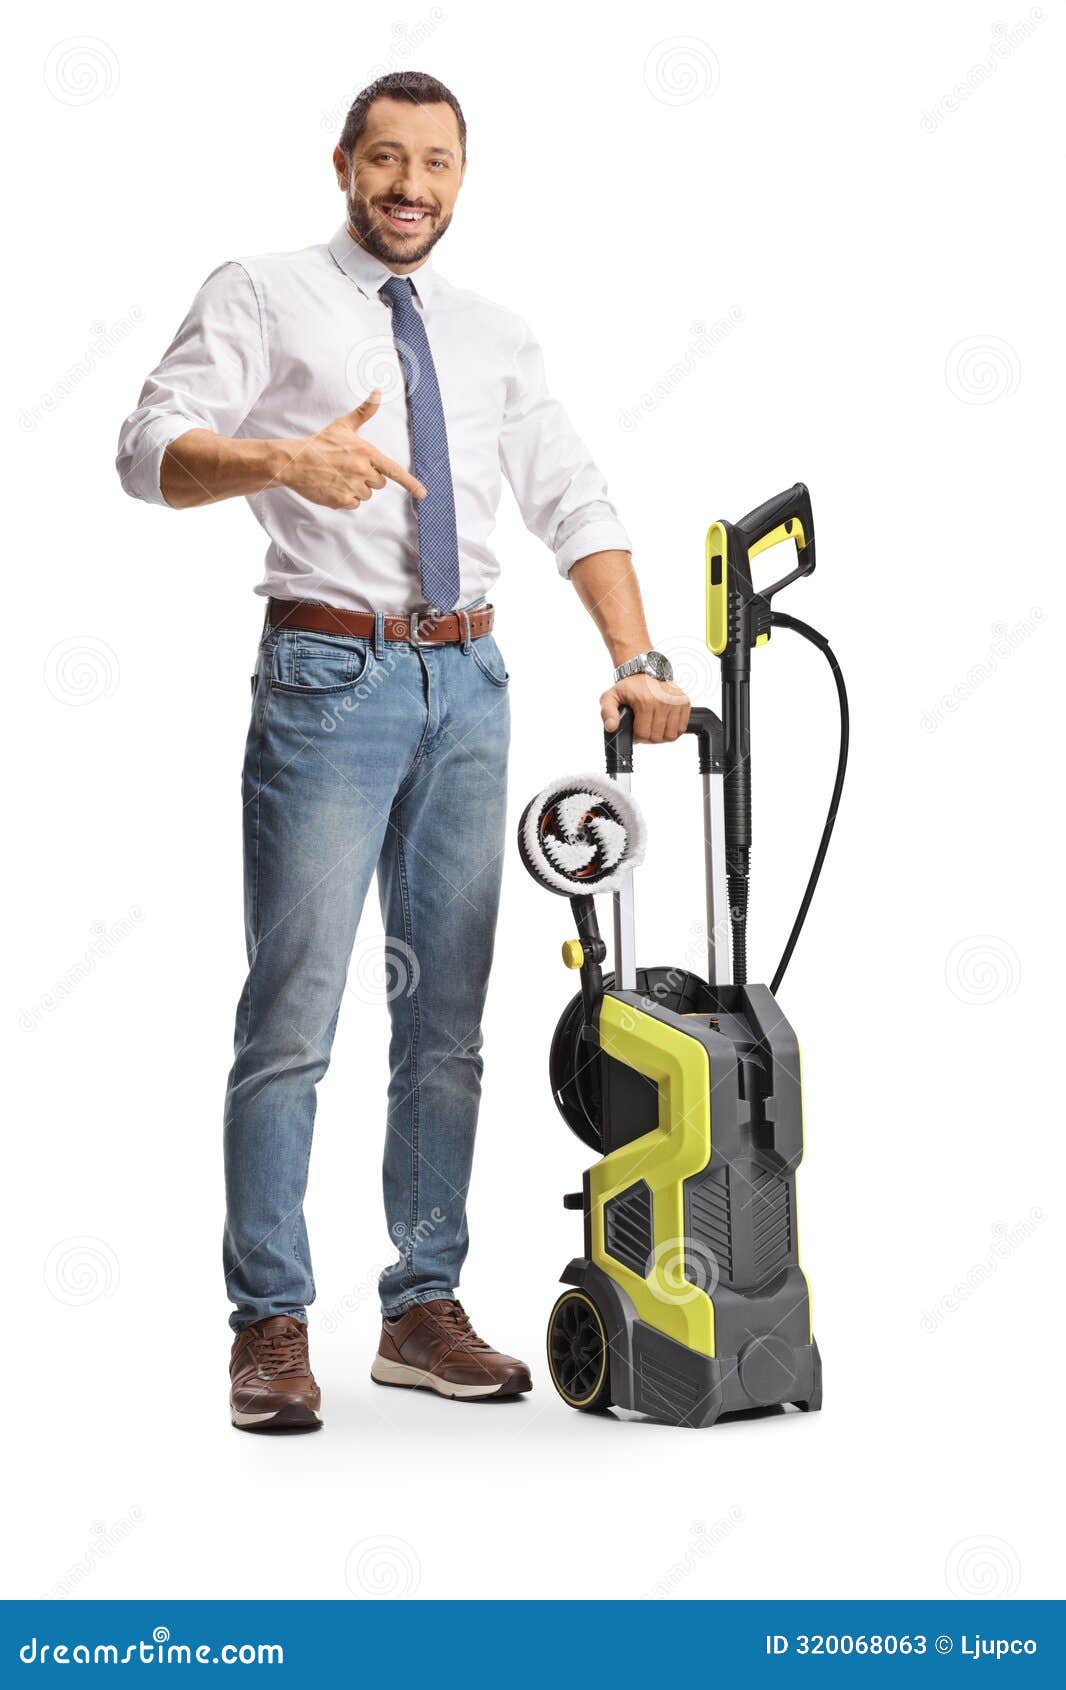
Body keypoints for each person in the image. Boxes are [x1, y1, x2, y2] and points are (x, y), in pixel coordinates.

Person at [116, 70, 690, 1431]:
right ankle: (268, 1323)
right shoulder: (261, 290)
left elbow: (571, 494)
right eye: (385, 159)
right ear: (340, 164)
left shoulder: (494, 334)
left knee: (446, 1025)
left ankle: (421, 1306)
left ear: (459, 177)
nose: (408, 187)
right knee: (293, 1014)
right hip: (328, 674)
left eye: (433, 163)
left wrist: (636, 655)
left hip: (471, 680)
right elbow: (142, 451)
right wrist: (275, 462)